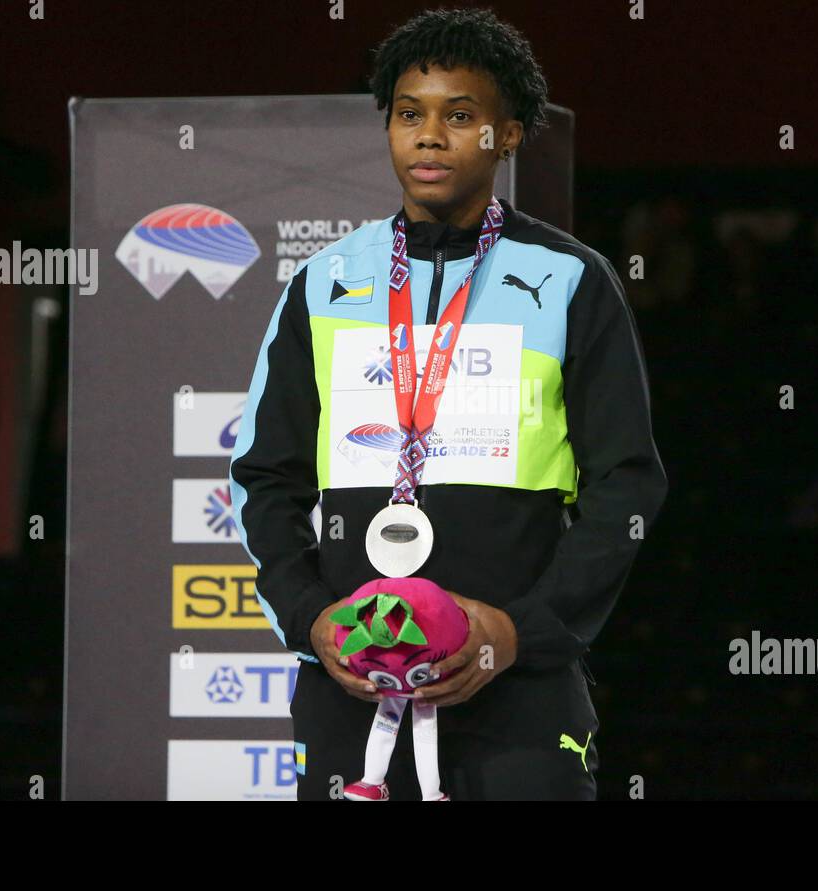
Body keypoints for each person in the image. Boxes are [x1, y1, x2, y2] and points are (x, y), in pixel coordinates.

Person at [230, 7, 667, 801]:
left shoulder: (572, 280)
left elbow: (628, 485)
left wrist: (517, 631)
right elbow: (266, 475)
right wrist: (312, 619)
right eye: (409, 114)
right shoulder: (324, 280)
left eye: (460, 117)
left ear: (507, 134)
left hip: (519, 691)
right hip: (353, 685)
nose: (430, 137)